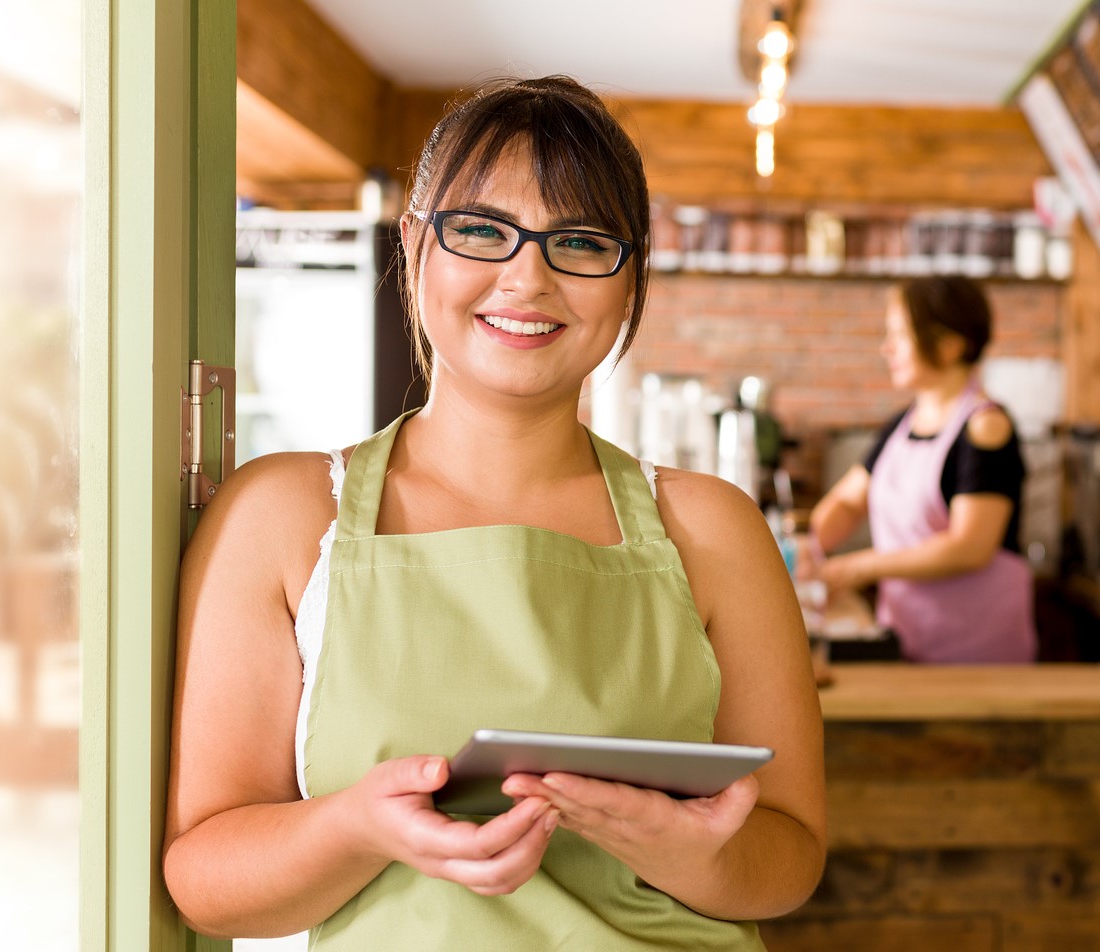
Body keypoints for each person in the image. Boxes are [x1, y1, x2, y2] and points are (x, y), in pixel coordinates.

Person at [162, 77, 826, 947]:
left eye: (581, 242)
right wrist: (359, 827)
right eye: (480, 230)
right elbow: (206, 882)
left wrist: (689, 856)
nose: (528, 278)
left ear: (630, 280)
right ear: (414, 245)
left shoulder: (714, 528)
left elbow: (791, 859)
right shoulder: (279, 517)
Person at [805, 276, 1037, 664]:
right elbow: (847, 501)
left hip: (978, 656)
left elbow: (970, 547)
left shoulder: (987, 428)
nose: (886, 348)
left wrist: (857, 568)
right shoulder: (901, 426)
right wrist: (811, 547)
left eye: (900, 335)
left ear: (949, 346)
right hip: (906, 638)